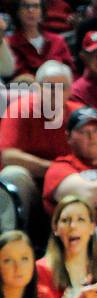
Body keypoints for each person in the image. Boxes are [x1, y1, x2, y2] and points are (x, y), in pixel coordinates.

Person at [0, 61, 75, 225]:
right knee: (13, 174)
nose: (55, 93)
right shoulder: (20, 110)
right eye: (49, 87)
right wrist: (53, 169)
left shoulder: (78, 114)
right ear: (37, 88)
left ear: (70, 91)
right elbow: (8, 156)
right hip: (34, 184)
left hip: (68, 183)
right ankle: (17, 240)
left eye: (61, 87)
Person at [5, 0, 75, 80]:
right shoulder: (8, 44)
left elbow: (71, 73)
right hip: (25, 92)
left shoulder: (57, 41)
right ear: (16, 11)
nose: (31, 10)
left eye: (36, 6)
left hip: (58, 92)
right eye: (25, 6)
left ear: (42, 11)